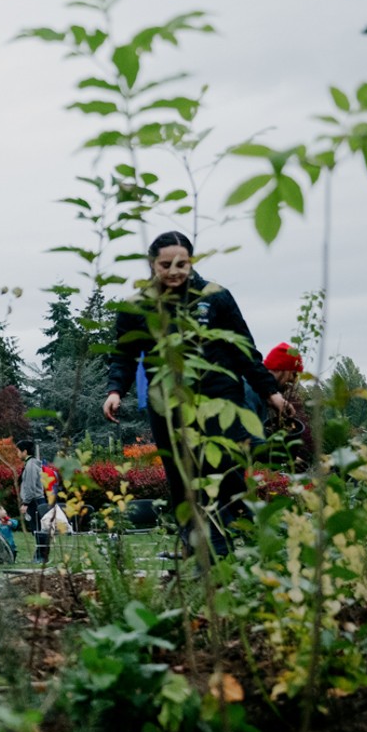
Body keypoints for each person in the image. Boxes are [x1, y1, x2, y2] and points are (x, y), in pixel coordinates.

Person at [102, 231, 288, 556]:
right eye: (165, 265)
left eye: (181, 263)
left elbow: (245, 350)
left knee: (224, 473)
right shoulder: (138, 307)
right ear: (152, 265)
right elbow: (124, 355)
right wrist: (116, 390)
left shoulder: (215, 297)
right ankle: (198, 549)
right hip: (168, 407)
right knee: (182, 476)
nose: (174, 271)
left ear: (191, 262)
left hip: (219, 400)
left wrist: (269, 392)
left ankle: (235, 546)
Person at [259, 342, 317, 472]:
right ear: (281, 369)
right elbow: (245, 439)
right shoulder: (251, 391)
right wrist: (284, 458)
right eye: (294, 374)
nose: (293, 381)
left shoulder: (263, 396)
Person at [18, 442, 52, 566]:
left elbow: (31, 486)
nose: (17, 453)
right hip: (36, 501)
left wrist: (25, 503)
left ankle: (41, 556)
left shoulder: (31, 465)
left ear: (25, 451)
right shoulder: (30, 464)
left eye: (18, 451)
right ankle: (40, 555)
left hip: (35, 502)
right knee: (38, 530)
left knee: (38, 530)